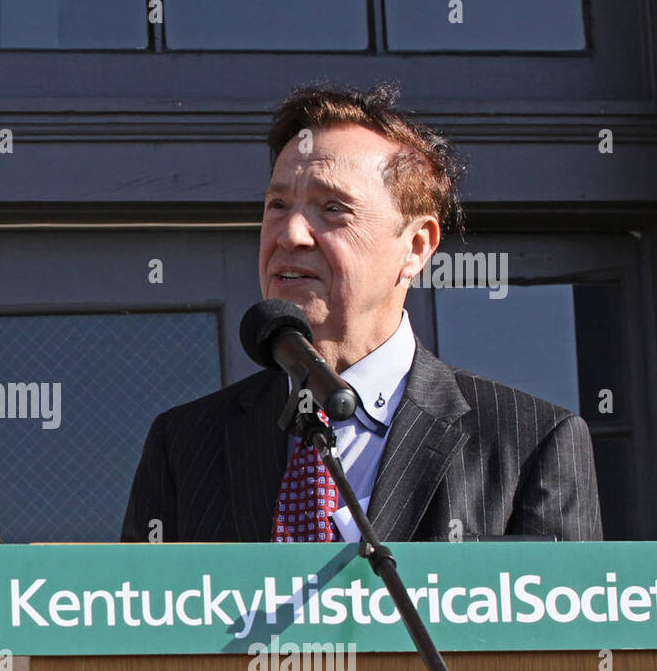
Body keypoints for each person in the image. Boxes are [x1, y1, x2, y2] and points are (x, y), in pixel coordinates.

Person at [121, 84, 602, 545]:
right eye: (277, 204)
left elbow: (562, 629)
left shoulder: (531, 442)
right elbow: (136, 624)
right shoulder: (185, 444)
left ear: (415, 247)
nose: (290, 234)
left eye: (332, 208)